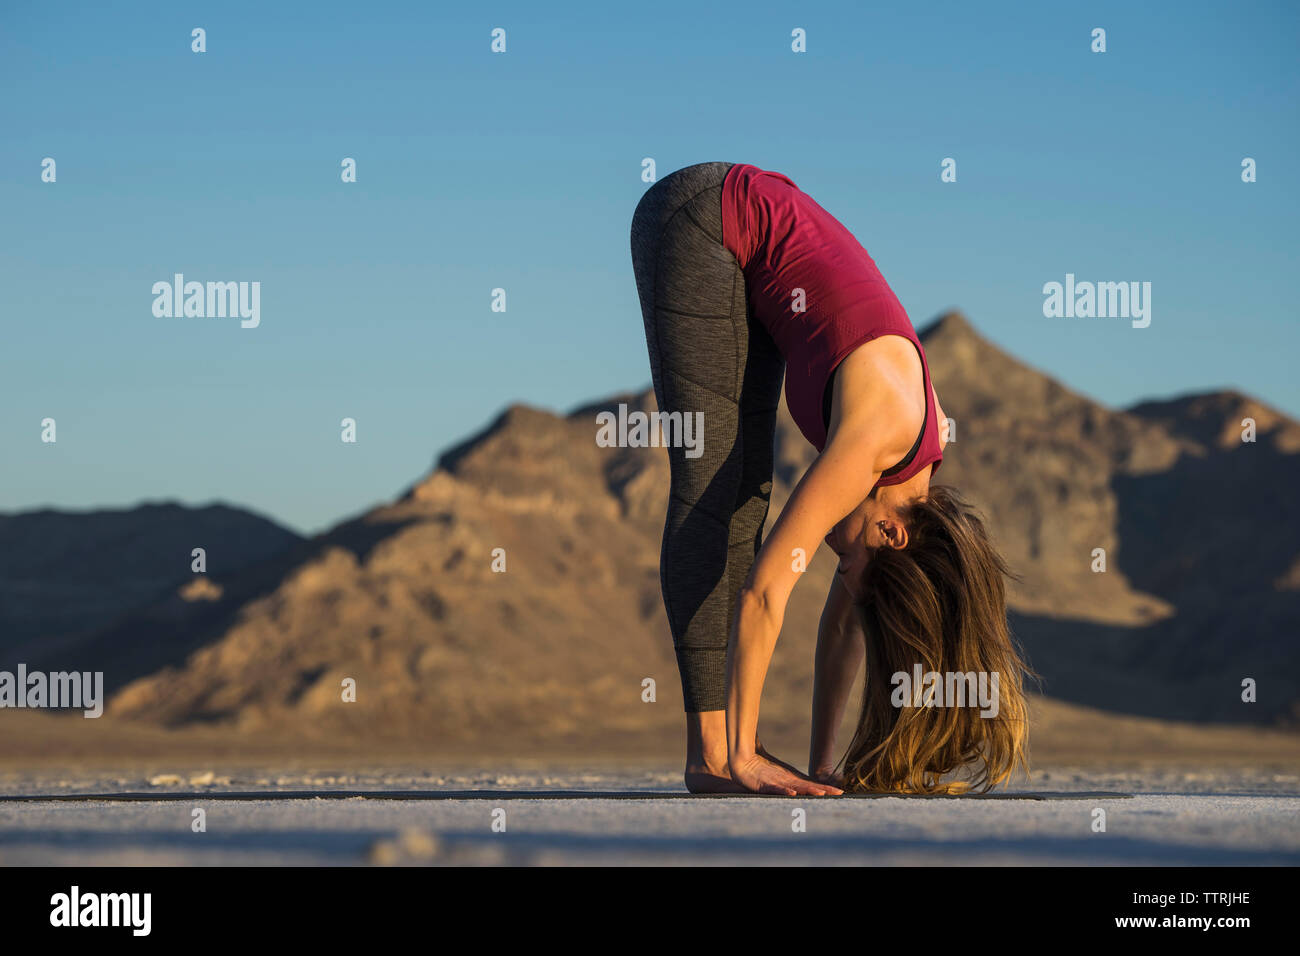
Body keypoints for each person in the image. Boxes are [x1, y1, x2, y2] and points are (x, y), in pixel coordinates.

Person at [629, 162, 1031, 795]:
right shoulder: (877, 440)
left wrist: (824, 766)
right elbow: (767, 589)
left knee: (746, 494)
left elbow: (844, 624)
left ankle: (729, 749)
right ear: (893, 537)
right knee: (715, 488)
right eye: (845, 565)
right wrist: (745, 757)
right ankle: (716, 753)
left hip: (746, 250)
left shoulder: (903, 499)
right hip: (705, 218)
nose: (832, 559)